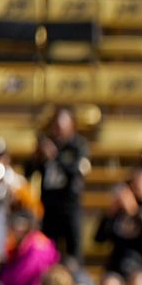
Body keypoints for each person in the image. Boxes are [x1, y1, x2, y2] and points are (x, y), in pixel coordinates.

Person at [31, 108, 89, 260]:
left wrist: (54, 156)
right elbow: (29, 171)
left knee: (73, 251)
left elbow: (76, 170)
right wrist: (37, 156)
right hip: (49, 205)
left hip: (69, 205)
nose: (58, 129)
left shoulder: (78, 146)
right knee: (48, 249)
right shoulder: (47, 143)